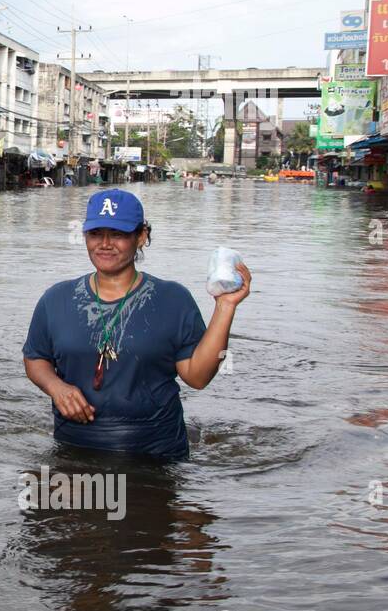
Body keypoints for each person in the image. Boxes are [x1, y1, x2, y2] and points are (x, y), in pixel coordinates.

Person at [21, 189, 250, 459]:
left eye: (117, 234)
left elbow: (197, 377)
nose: (105, 244)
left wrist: (225, 307)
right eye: (96, 234)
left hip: (158, 458)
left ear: (141, 237)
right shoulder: (57, 299)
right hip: (73, 452)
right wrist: (56, 387)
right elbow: (36, 358)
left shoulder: (172, 299)